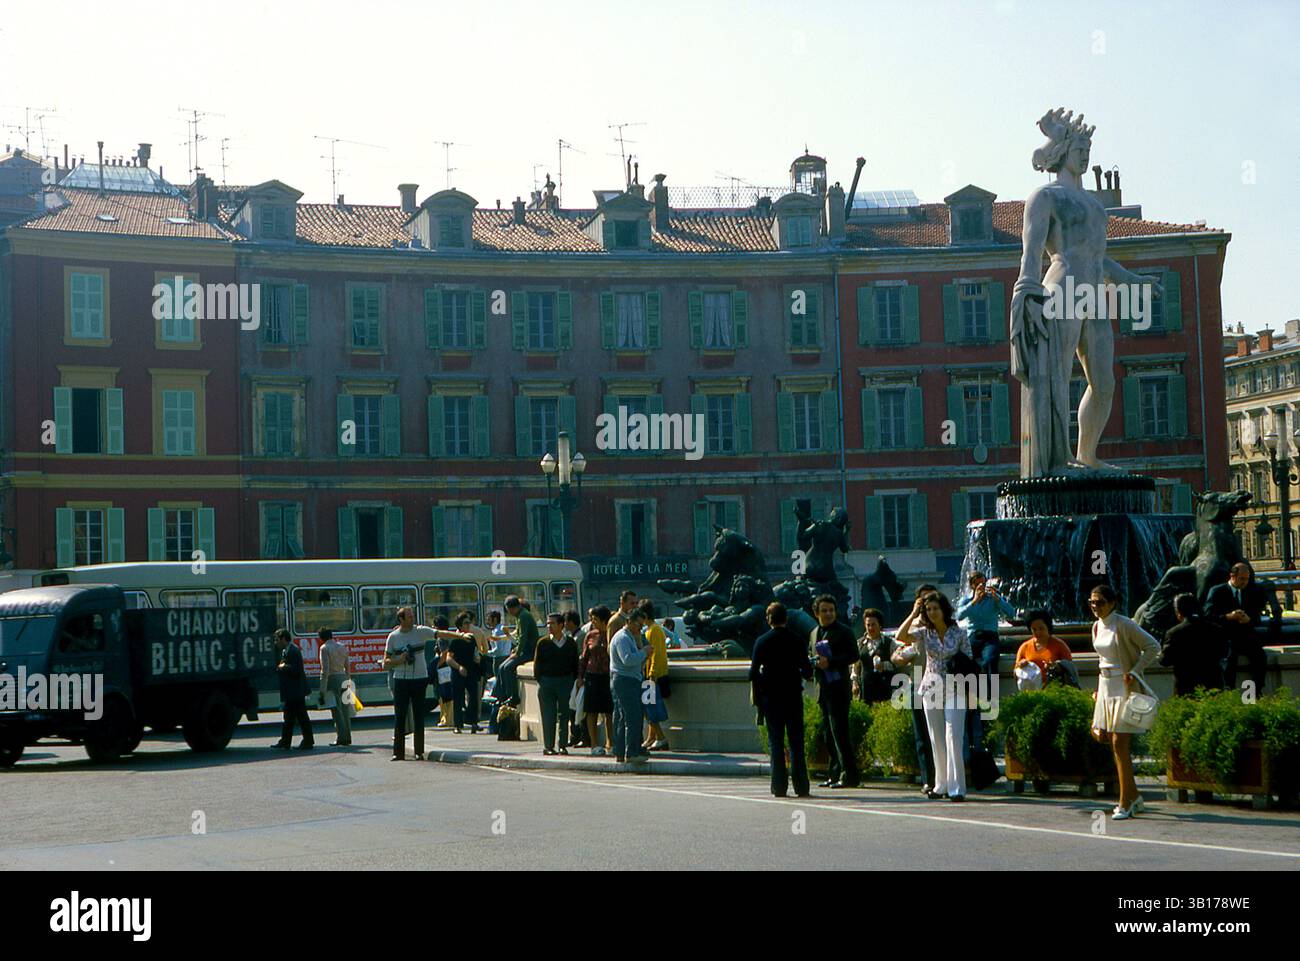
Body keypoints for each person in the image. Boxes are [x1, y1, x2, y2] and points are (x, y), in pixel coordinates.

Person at [1088, 584, 1161, 820]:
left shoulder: (1125, 624)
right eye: (1092, 602)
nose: (1095, 607)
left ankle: (1124, 802)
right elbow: (1102, 660)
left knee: (1120, 743)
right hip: (1106, 686)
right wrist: (1099, 691)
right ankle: (1134, 797)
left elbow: (1153, 646)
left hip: (1124, 686)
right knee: (1112, 742)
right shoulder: (1096, 626)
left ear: (1112, 603)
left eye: (1099, 602)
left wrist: (1135, 671)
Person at [897, 591, 971, 801]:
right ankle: (941, 785)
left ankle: (957, 788)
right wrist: (913, 613)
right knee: (936, 737)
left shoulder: (959, 632)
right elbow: (900, 636)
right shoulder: (924, 632)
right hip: (932, 687)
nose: (932, 613)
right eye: (928, 610)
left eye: (935, 608)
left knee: (953, 737)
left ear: (944, 609)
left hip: (955, 688)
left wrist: (970, 691)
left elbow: (969, 660)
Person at [385, 607, 467, 761]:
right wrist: (400, 660)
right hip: (401, 679)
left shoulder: (420, 631)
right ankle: (398, 752)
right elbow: (386, 662)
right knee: (400, 716)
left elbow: (440, 633)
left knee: (418, 716)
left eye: (412, 615)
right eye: (409, 616)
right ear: (401, 619)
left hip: (419, 678)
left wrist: (460, 635)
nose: (412, 618)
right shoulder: (393, 637)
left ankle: (419, 751)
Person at [751, 602, 814, 797]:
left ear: (768, 620)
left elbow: (753, 672)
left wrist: (762, 687)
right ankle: (801, 786)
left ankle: (778, 787)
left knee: (776, 742)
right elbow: (807, 670)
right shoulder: (796, 640)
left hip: (771, 697)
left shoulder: (761, 641)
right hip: (793, 695)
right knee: (796, 742)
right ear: (786, 618)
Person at [954, 572, 1015, 760]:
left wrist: (998, 599)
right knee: (968, 663)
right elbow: (959, 615)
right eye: (978, 584)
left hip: (990, 636)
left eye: (984, 584)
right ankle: (970, 690)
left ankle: (988, 692)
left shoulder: (993, 598)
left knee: (989, 660)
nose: (982, 587)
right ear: (972, 586)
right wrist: (974, 601)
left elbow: (1011, 613)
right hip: (973, 637)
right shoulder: (967, 599)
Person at [810, 593, 859, 788]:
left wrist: (831, 662)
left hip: (839, 689)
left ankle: (850, 775)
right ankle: (834, 772)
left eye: (831, 610)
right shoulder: (813, 633)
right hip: (823, 690)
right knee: (827, 735)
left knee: (840, 733)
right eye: (824, 611)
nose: (829, 613)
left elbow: (853, 656)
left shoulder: (844, 631)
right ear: (816, 613)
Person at [1204, 562, 1275, 694]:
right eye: (1242, 579)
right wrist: (1228, 617)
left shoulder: (1252, 592)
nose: (1245, 582)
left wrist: (1249, 619)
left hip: (1246, 635)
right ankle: (1229, 692)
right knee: (1229, 661)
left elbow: (1257, 616)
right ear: (1232, 576)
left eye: (1247, 579)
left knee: (1260, 658)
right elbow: (1208, 615)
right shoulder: (1218, 591)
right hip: (1226, 636)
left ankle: (1253, 693)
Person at [891, 606, 937, 794]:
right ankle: (928, 779)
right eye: (924, 606)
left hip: (940, 686)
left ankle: (944, 777)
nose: (929, 611)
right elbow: (900, 640)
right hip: (917, 684)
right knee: (922, 736)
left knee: (940, 735)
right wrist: (913, 613)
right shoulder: (917, 629)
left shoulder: (943, 628)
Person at [1161, 593, 1228, 697]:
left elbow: (1165, 660)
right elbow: (1224, 652)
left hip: (1186, 687)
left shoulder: (1174, 633)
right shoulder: (1216, 629)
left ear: (1178, 613)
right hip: (1213, 684)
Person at [609, 607, 650, 763]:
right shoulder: (623, 638)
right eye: (638, 625)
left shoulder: (630, 636)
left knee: (622, 716)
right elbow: (627, 659)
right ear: (629, 622)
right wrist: (644, 652)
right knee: (633, 716)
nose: (640, 628)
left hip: (627, 678)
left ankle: (620, 751)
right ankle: (632, 752)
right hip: (625, 680)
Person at [534, 612, 579, 754]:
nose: (549, 626)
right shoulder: (543, 643)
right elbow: (537, 665)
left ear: (561, 625)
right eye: (548, 623)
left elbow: (575, 664)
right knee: (548, 715)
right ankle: (548, 746)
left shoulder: (570, 643)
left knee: (564, 715)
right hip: (547, 682)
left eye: (552, 623)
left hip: (565, 682)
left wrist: (573, 680)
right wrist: (541, 680)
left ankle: (563, 745)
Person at [577, 606, 614, 755]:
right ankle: (594, 743)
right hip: (592, 676)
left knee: (609, 711)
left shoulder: (612, 634)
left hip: (607, 676)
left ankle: (610, 742)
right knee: (591, 711)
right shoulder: (590, 635)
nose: (592, 622)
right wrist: (580, 676)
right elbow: (584, 658)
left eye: (595, 619)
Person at [273, 628, 314, 750]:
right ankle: (286, 741)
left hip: (295, 691)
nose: (276, 643)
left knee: (300, 717)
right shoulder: (287, 650)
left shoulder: (293, 651)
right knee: (290, 717)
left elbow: (296, 670)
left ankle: (306, 741)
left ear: (284, 639)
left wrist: (283, 667)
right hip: (293, 691)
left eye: (277, 640)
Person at [494, 595, 538, 707]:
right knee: (501, 667)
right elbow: (519, 638)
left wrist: (517, 653)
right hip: (523, 651)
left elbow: (523, 637)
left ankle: (513, 696)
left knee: (508, 668)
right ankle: (501, 695)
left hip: (528, 652)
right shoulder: (520, 616)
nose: (509, 613)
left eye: (509, 610)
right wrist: (515, 650)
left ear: (513, 608)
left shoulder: (523, 616)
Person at [1013, 610, 1074, 687]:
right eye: (1034, 629)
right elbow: (1015, 674)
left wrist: (1056, 667)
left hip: (1055, 690)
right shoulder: (1024, 647)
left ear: (1048, 627)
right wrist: (1020, 665)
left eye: (1041, 628)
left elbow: (1071, 669)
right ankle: (994, 697)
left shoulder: (1060, 645)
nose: (1038, 632)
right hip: (1031, 691)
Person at [640, 601, 671, 751]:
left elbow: (656, 654)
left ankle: (660, 737)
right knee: (649, 707)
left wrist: (652, 674)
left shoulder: (654, 630)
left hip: (650, 676)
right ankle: (652, 737)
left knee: (650, 708)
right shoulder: (651, 630)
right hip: (649, 675)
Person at [446, 611, 483, 733]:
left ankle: (473, 722)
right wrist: (459, 667)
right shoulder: (455, 640)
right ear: (460, 626)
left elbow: (475, 651)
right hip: (458, 672)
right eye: (466, 623)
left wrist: (477, 657)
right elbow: (449, 658)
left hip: (471, 670)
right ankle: (458, 725)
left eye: (469, 622)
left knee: (474, 697)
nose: (469, 625)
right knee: (458, 698)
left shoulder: (471, 638)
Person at [316, 627, 351, 747]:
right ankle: (348, 736)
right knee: (345, 710)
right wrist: (347, 679)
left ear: (321, 638)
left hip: (332, 679)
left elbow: (324, 670)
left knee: (336, 711)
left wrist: (322, 690)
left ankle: (341, 737)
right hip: (343, 678)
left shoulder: (324, 648)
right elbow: (347, 666)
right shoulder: (342, 646)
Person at [853, 608, 895, 704]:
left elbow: (896, 664)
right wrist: (855, 683)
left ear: (880, 625)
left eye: (873, 624)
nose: (871, 628)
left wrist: (884, 665)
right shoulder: (860, 644)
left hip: (884, 688)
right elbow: (855, 666)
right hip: (865, 689)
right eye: (868, 625)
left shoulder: (889, 643)